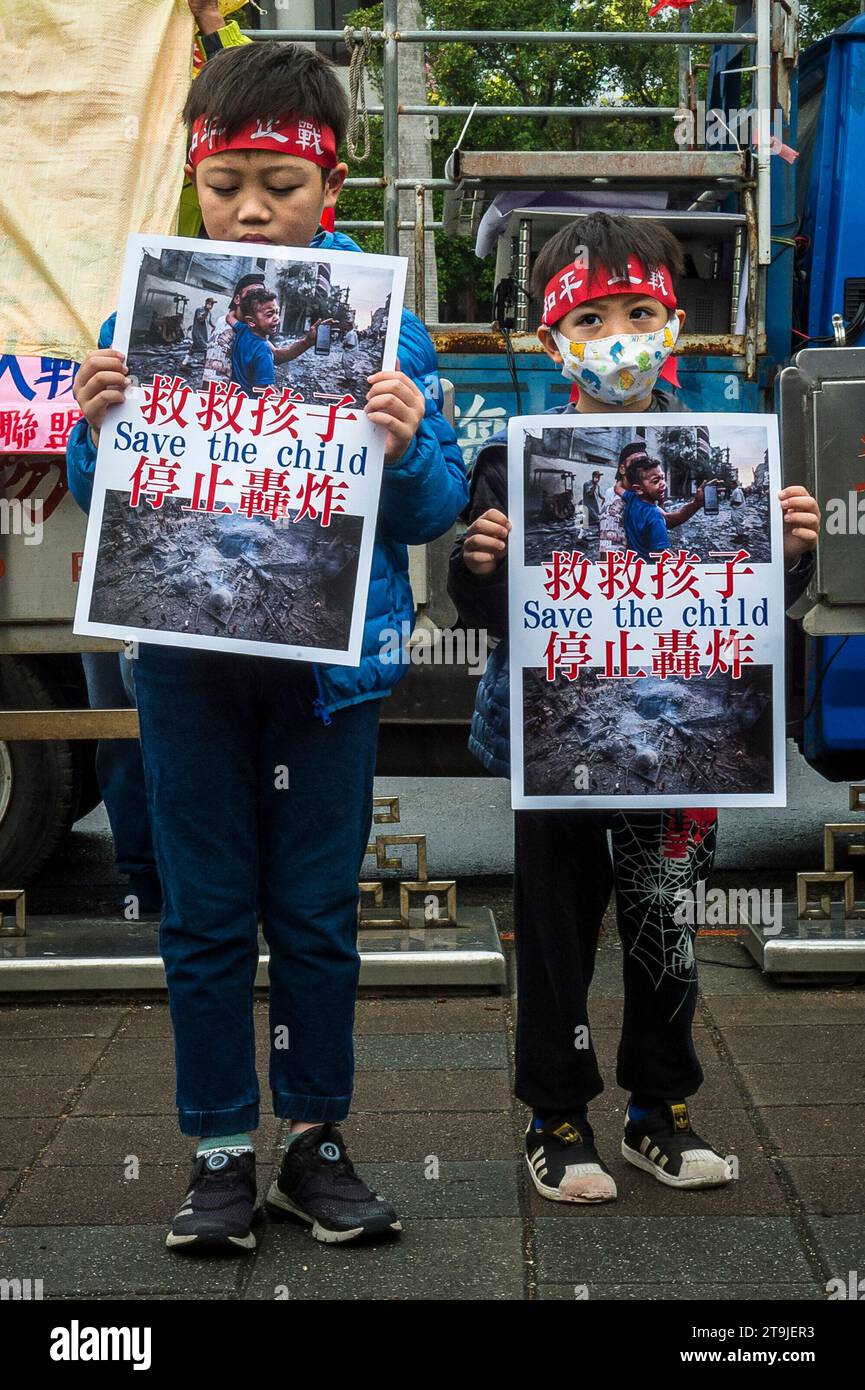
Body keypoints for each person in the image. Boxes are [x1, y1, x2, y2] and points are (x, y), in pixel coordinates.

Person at [68, 40, 468, 1252]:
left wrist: (405, 445)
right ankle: (218, 1151)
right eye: (227, 177)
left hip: (326, 677)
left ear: (329, 187)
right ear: (195, 178)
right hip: (186, 663)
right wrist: (95, 431)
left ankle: (315, 1138)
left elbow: (433, 511)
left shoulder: (388, 330)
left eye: (279, 185)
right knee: (200, 916)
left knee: (312, 914)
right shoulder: (137, 313)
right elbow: (105, 498)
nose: (251, 205)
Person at [448, 211, 820, 1207]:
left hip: (679, 736)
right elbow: (481, 608)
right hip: (560, 734)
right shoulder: (514, 458)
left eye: (639, 310)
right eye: (592, 315)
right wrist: (479, 563)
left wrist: (790, 548)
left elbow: (750, 603)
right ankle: (556, 1114)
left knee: (667, 916)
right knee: (556, 921)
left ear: (674, 319)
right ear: (553, 336)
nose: (617, 333)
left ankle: (662, 1107)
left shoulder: (721, 450)